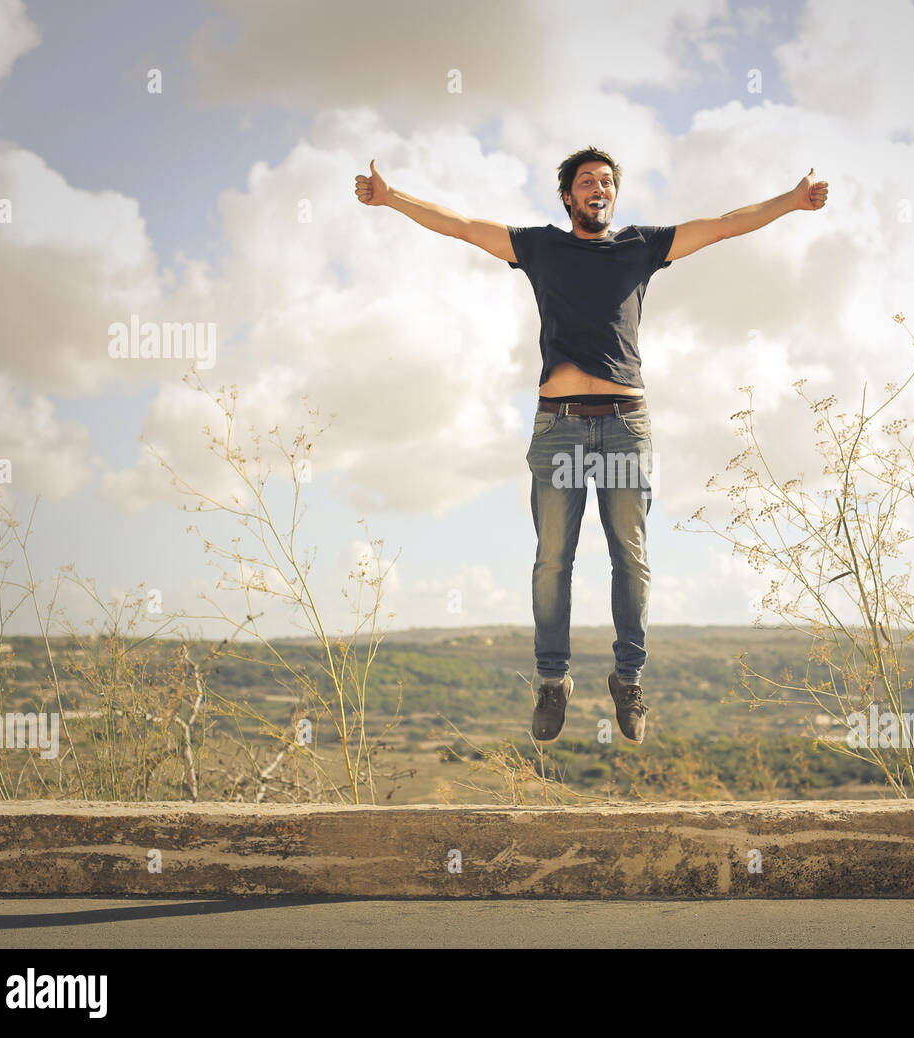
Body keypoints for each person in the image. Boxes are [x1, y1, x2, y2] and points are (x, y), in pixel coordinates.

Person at [355, 145, 828, 746]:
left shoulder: (640, 247)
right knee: (553, 560)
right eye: (586, 182)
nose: (598, 189)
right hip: (559, 427)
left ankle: (628, 680)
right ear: (567, 196)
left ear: (614, 195)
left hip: (626, 427)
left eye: (607, 182)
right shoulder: (541, 247)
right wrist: (391, 197)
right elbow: (463, 227)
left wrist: (792, 201)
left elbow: (725, 225)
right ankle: (553, 681)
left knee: (630, 557)